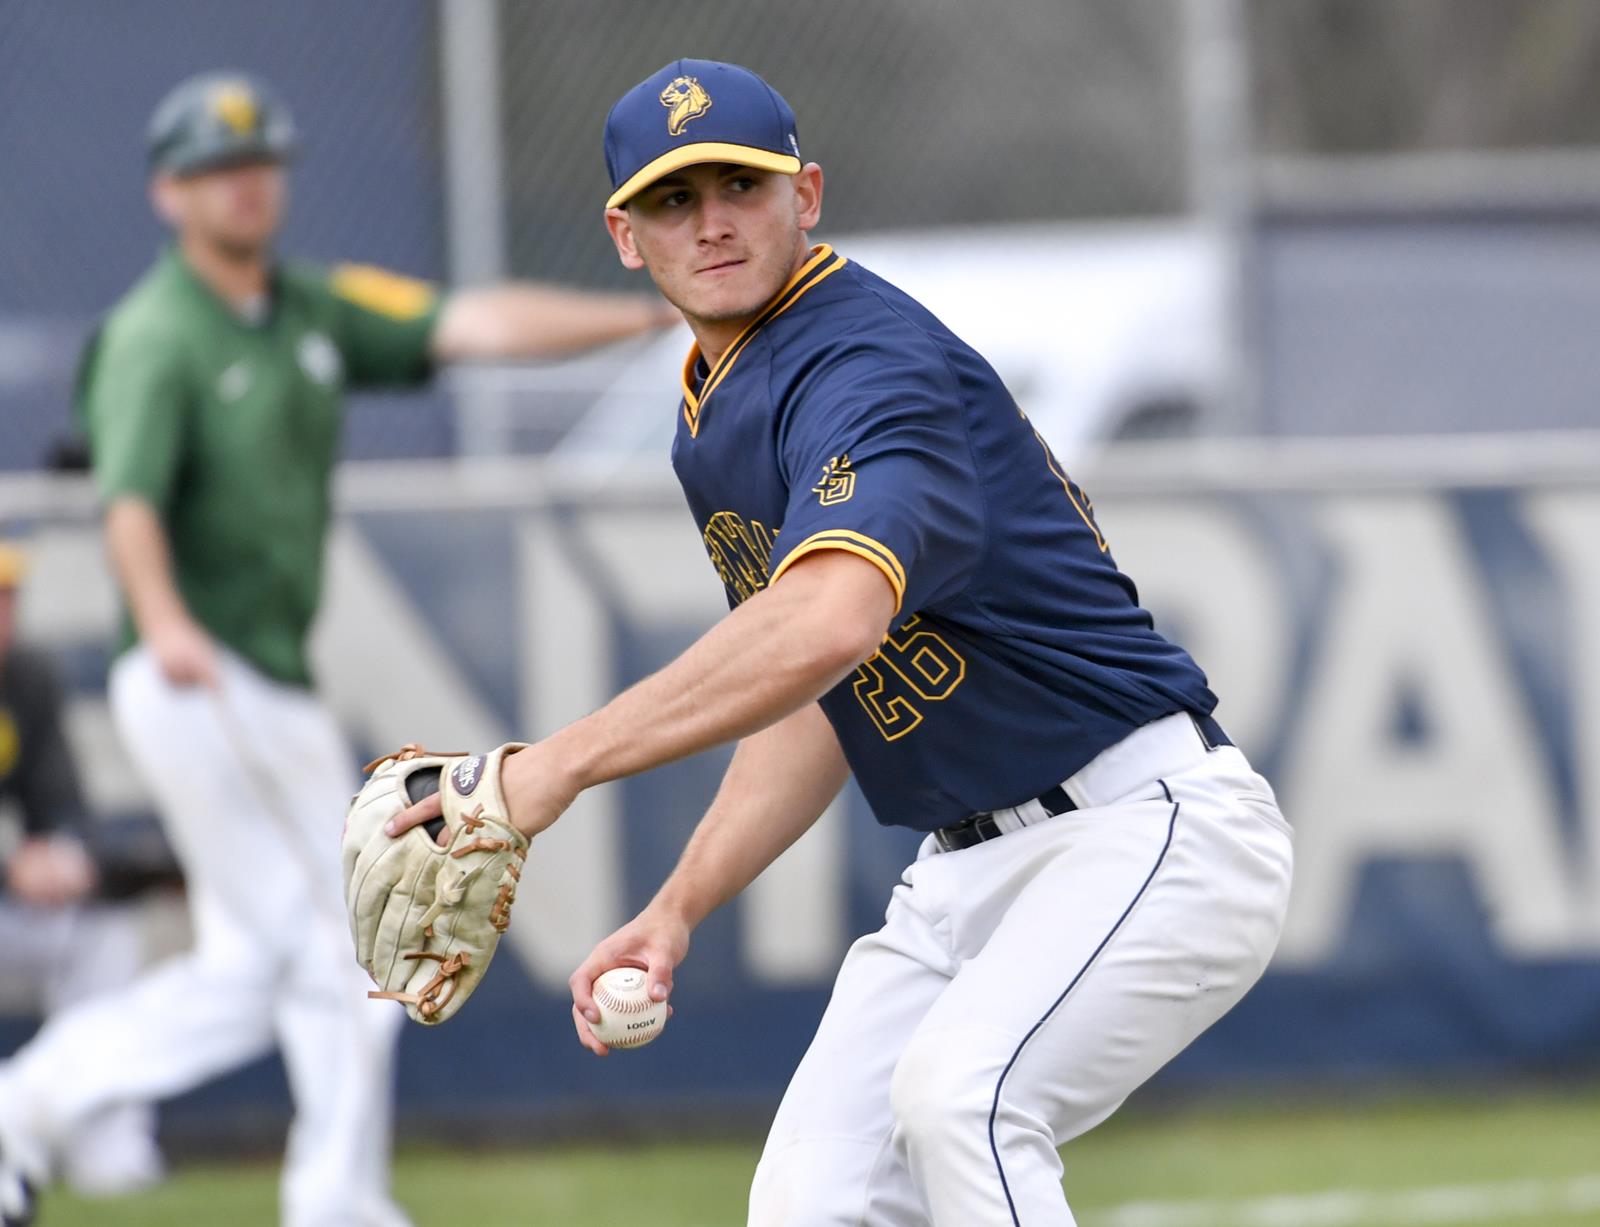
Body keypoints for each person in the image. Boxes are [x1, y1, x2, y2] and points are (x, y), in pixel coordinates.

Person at [392, 58, 1293, 1226]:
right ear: (626, 236)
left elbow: (829, 621)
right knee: (811, 1203)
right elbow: (820, 691)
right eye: (675, 199)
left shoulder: (864, 363)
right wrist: (677, 908)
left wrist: (550, 767)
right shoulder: (713, 406)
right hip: (966, 869)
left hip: (1143, 831)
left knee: (963, 1104)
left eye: (741, 186)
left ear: (804, 195)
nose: (712, 222)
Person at [0, 70, 677, 1227]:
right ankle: (338, 1203)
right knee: (359, 937)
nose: (246, 182)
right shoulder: (158, 332)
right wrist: (163, 621)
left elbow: (465, 324)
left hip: (266, 681)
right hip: (205, 671)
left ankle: (23, 1110)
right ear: (170, 192)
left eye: (260, 160)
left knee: (255, 968)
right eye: (218, 168)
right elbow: (128, 501)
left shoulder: (305, 309)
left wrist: (649, 310)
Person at [0, 541, 166, 1200]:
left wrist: (60, 856)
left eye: (10, 597)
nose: (4, 613)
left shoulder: (27, 676)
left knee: (105, 933)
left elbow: (62, 801)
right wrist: (11, 865)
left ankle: (108, 1151)